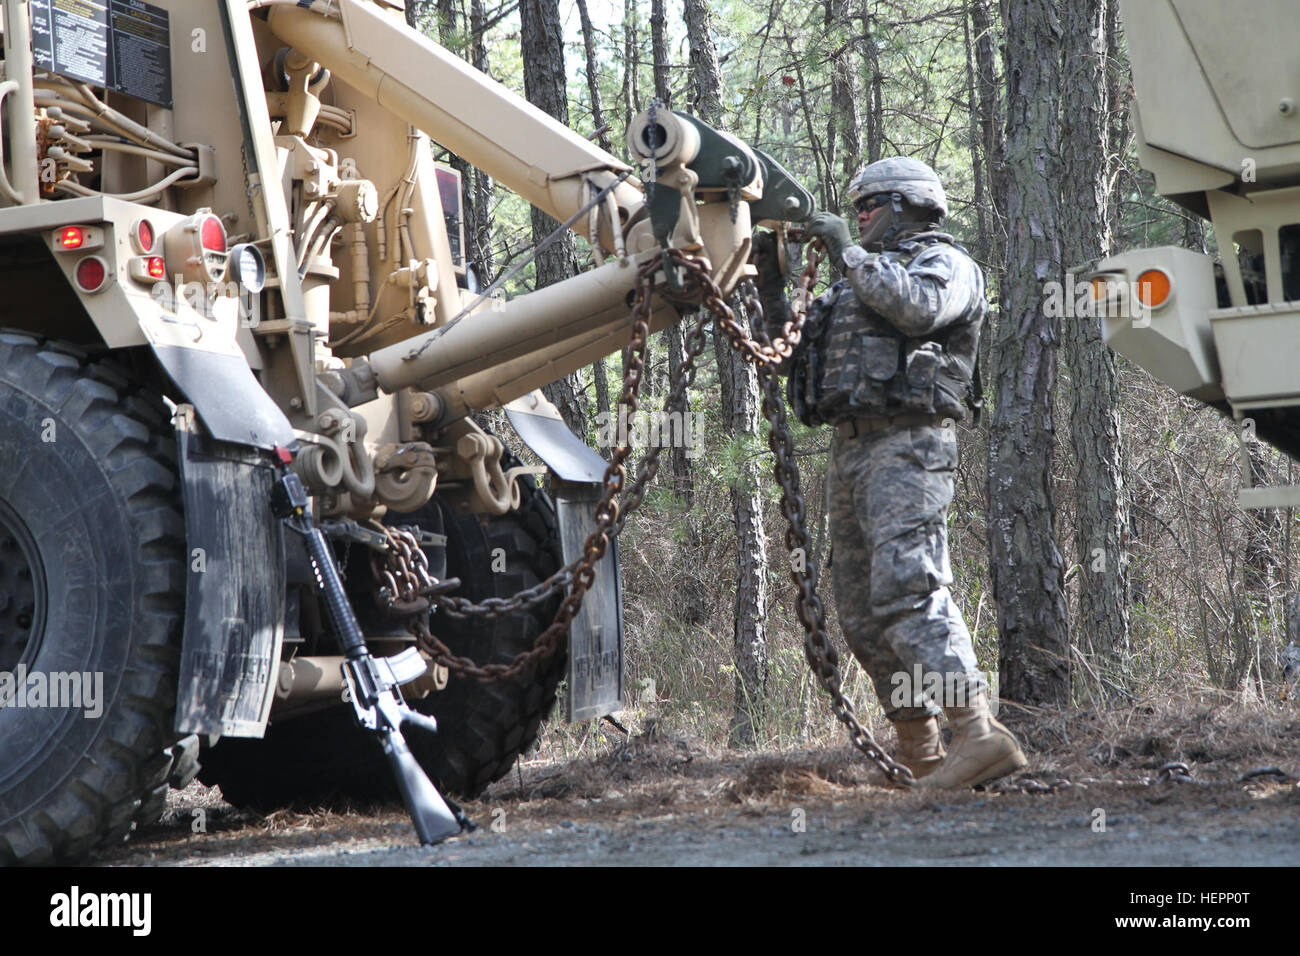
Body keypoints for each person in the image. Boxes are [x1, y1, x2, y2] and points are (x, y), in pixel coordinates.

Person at [754, 157, 1026, 788]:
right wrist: (773, 277)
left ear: (906, 206)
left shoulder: (946, 265)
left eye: (869, 207)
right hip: (852, 451)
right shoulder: (853, 282)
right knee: (861, 610)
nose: (859, 218)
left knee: (909, 585)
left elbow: (917, 310)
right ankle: (922, 753)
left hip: (909, 446)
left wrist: (846, 250)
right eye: (855, 211)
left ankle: (979, 732)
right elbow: (787, 348)